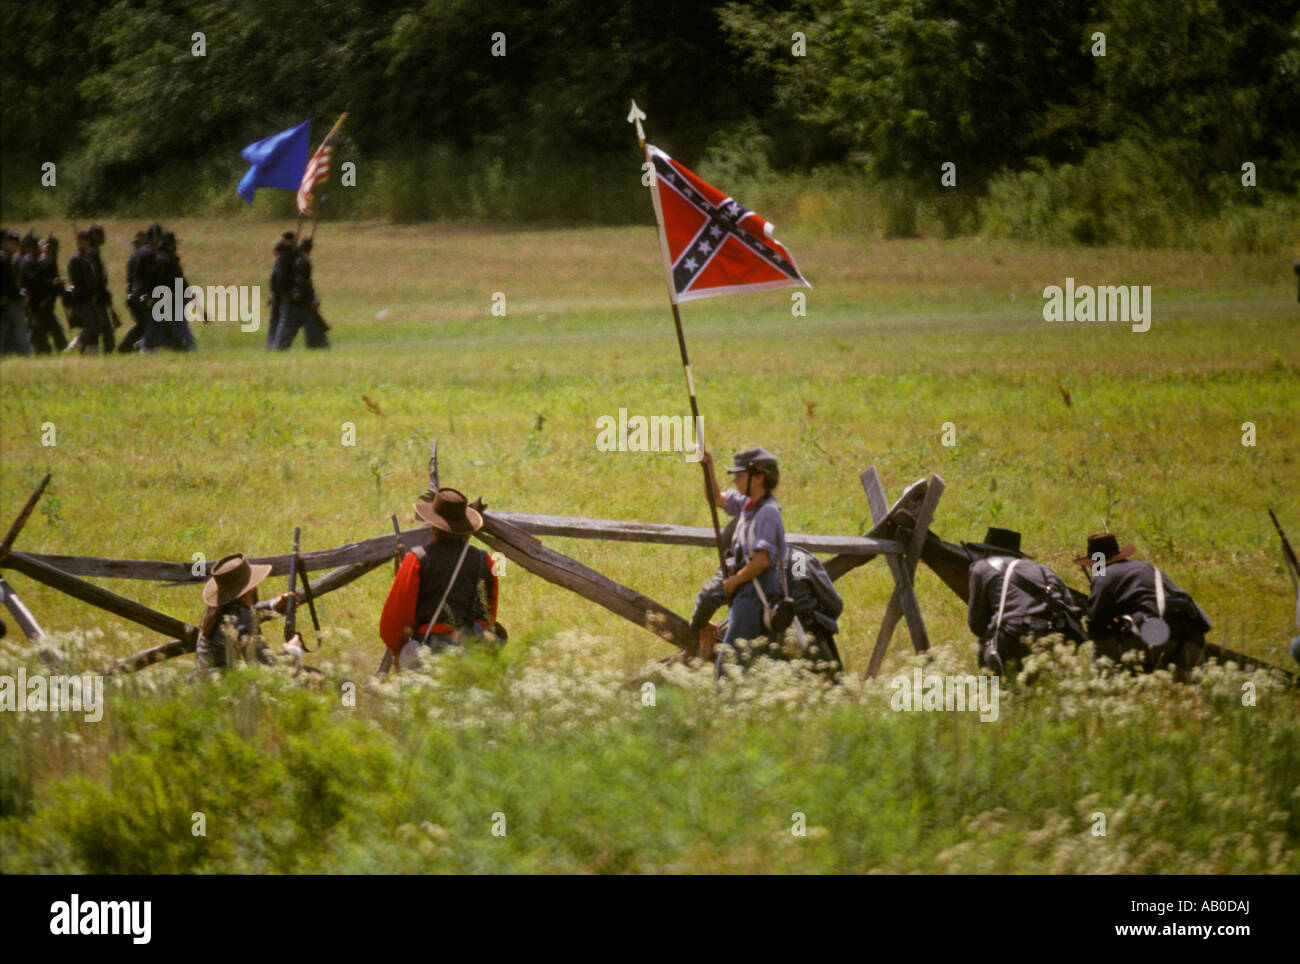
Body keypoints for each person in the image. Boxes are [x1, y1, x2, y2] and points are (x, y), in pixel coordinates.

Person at [690, 532, 844, 678]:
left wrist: (701, 624)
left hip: (760, 650)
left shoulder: (735, 565)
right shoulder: (799, 557)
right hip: (813, 644)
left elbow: (708, 596)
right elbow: (835, 604)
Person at [379, 487, 501, 670]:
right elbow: (488, 615)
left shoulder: (417, 560)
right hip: (474, 654)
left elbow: (395, 621)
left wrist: (399, 651)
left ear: (433, 525)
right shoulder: (486, 561)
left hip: (429, 650)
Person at [698, 447, 788, 678]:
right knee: (761, 664)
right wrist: (708, 468)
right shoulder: (747, 504)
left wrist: (733, 582)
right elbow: (716, 498)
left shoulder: (767, 513)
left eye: (740, 475)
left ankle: (728, 709)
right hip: (749, 591)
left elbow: (761, 561)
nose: (735, 480)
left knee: (729, 666)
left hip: (755, 593)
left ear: (759, 478)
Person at [1074, 532, 1210, 676]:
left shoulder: (1103, 576)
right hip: (1189, 638)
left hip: (1153, 636)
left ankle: (1115, 686)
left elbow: (1094, 624)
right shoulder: (1147, 568)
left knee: (1099, 644)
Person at [966, 526, 1085, 674]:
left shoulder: (982, 567)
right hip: (1054, 639)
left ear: (989, 552)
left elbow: (976, 624)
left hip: (1013, 636)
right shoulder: (1045, 571)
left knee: (986, 645)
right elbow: (1070, 610)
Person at [193, 553, 302, 674]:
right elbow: (269, 669)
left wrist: (274, 606)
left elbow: (245, 614)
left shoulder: (215, 611)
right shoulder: (242, 618)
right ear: (248, 589)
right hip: (225, 689)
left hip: (204, 686)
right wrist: (294, 651)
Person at [64, 230, 114, 355]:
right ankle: (77, 343)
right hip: (82, 300)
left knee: (104, 326)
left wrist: (98, 295)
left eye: (85, 241)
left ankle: (95, 352)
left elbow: (96, 279)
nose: (82, 244)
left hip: (95, 298)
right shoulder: (76, 260)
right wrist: (90, 296)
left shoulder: (89, 258)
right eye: (80, 241)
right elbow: (78, 282)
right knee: (93, 325)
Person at [273, 237, 328, 349]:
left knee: (291, 326)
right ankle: (318, 346)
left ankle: (280, 346)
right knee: (311, 325)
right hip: (302, 301)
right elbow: (304, 283)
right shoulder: (303, 262)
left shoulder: (295, 260)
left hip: (297, 300)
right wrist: (312, 299)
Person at [25, 235, 68, 354]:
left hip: (46, 304)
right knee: (51, 330)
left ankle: (47, 350)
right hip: (41, 304)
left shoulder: (49, 261)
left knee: (43, 330)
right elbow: (39, 282)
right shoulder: (43, 262)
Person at [0, 229, 33, 356]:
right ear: (4, 243)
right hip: (8, 299)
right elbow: (9, 285)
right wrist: (21, 297)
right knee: (20, 324)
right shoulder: (4, 259)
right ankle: (25, 354)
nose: (13, 245)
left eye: (15, 243)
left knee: (3, 326)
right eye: (10, 242)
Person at [117, 231, 150, 352]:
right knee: (145, 325)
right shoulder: (137, 260)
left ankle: (128, 347)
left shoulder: (137, 258)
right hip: (137, 298)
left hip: (137, 296)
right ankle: (127, 347)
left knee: (143, 325)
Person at [267, 231, 296, 348]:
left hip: (276, 290)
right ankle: (278, 345)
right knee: (284, 319)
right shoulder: (290, 255)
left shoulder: (281, 255)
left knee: (274, 319)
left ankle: (270, 344)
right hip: (285, 291)